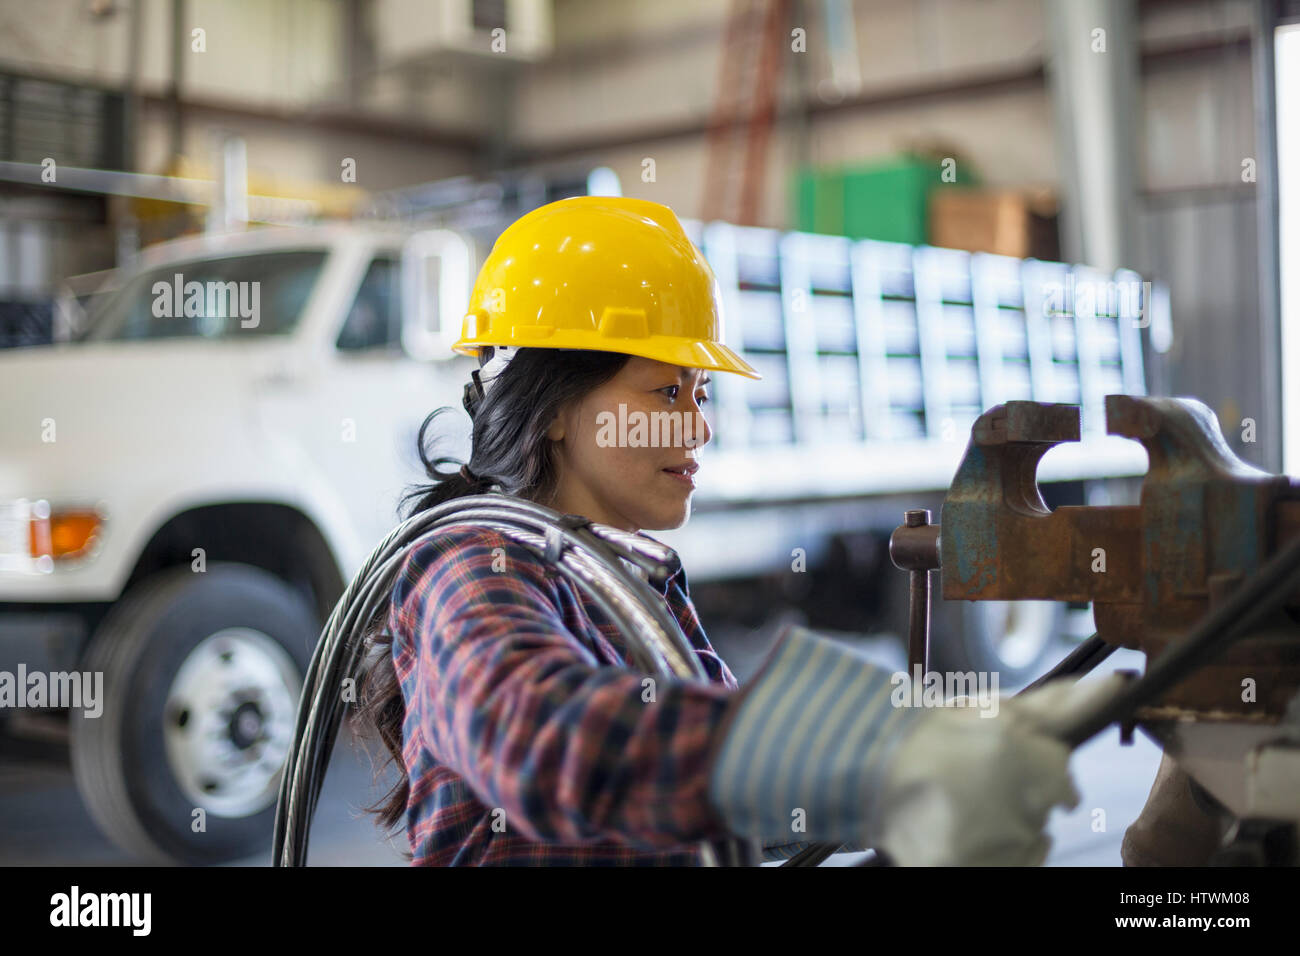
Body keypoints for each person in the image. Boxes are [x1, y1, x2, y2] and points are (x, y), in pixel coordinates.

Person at [354, 196, 1117, 866]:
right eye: (665, 392)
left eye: (702, 392)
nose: (699, 427)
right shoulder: (472, 563)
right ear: (551, 407)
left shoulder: (626, 577)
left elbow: (711, 797)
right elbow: (542, 737)